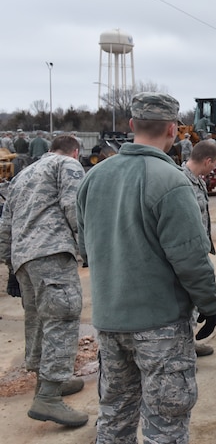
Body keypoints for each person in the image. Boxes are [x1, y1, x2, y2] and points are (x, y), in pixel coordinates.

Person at [77, 92, 216, 443]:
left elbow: (86, 248)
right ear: (173, 129)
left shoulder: (94, 177)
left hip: (110, 321)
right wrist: (210, 304)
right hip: (160, 327)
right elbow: (190, 258)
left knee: (114, 416)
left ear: (131, 125)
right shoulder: (171, 181)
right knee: (165, 424)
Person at [0, 135, 88, 427]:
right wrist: (90, 251)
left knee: (39, 320)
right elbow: (75, 208)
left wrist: (10, 265)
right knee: (62, 319)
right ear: (75, 152)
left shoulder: (23, 174)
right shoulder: (67, 165)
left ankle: (47, 383)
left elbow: (5, 225)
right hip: (52, 254)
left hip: (24, 259)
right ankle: (49, 397)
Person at [182, 139, 216, 357]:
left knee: (193, 301)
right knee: (184, 300)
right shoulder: (181, 182)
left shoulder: (198, 181)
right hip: (187, 252)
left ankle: (189, 343)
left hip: (198, 249)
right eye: (215, 163)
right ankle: (183, 351)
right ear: (207, 161)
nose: (215, 168)